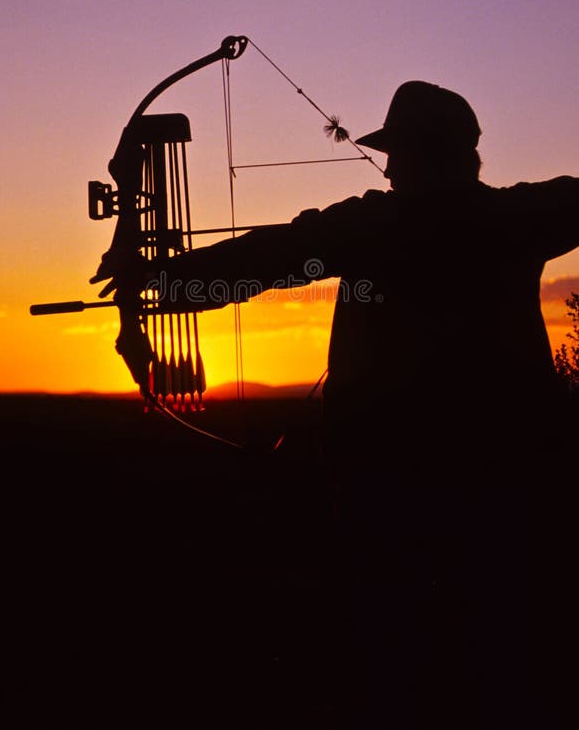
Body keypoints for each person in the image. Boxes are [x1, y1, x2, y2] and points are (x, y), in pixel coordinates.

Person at [91, 80, 579, 725]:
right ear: (469, 154)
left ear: (415, 154)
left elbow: (270, 256)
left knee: (399, 647)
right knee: (495, 643)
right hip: (510, 475)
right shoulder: (521, 216)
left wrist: (155, 280)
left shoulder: (374, 225)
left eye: (397, 153)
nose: (391, 167)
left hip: (391, 479)